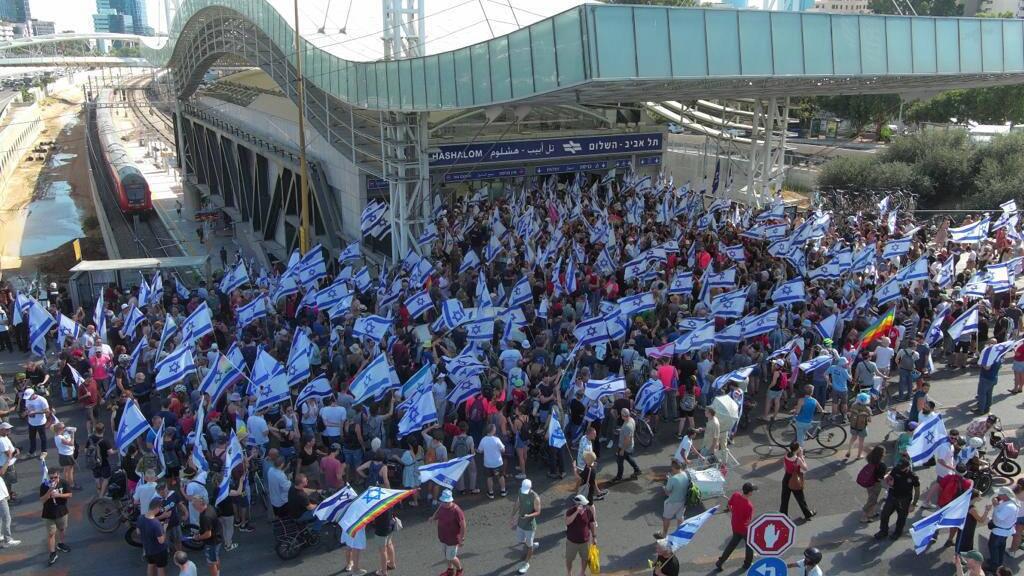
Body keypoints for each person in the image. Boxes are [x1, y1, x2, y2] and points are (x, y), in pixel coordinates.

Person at [875, 456, 920, 540]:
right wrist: (888, 481)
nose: (900, 469)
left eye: (902, 467)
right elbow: (889, 477)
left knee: (901, 518)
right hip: (892, 496)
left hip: (904, 499)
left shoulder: (913, 476)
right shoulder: (896, 469)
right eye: (899, 467)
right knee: (884, 514)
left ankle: (897, 533)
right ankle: (883, 531)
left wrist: (913, 504)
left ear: (907, 467)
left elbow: (917, 491)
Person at [715, 482, 757, 572]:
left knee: (732, 545)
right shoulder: (749, 506)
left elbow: (729, 505)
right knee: (750, 545)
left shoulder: (735, 495)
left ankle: (720, 561)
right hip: (744, 529)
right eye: (752, 490)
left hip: (735, 525)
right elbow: (748, 521)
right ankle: (747, 564)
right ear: (750, 492)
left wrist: (733, 512)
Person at [40, 466, 72, 566]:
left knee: (62, 529)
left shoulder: (63, 483)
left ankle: (61, 544)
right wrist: (50, 491)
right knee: (51, 534)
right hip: (49, 514)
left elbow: (70, 495)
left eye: (55, 477)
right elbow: (42, 500)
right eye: (51, 478)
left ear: (59, 475)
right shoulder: (44, 485)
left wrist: (59, 495)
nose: (53, 479)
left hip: (62, 512)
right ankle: (52, 553)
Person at [430, 488, 466, 576]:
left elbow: (463, 525)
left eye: (447, 502)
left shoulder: (457, 510)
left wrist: (461, 538)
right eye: (443, 501)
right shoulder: (441, 506)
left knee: (451, 557)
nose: (445, 503)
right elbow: (439, 515)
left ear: (451, 500)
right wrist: (433, 518)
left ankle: (459, 570)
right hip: (443, 537)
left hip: (453, 539)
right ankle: (450, 570)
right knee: (446, 555)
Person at [511, 478, 541, 574]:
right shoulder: (520, 491)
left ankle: (526, 563)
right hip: (521, 523)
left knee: (529, 545)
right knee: (520, 540)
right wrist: (512, 515)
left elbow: (538, 512)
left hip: (530, 526)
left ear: (530, 488)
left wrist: (528, 515)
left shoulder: (535, 497)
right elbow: (518, 503)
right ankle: (531, 544)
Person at [985, 487, 1019, 571]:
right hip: (1004, 531)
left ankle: (994, 566)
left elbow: (1000, 517)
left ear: (1005, 495)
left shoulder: (1009, 506)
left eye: (1000, 494)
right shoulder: (1009, 502)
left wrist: (995, 506)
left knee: (993, 547)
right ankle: (998, 563)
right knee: (1000, 548)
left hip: (999, 532)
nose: (998, 495)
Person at [654, 459, 689, 539]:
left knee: (666, 518)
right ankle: (679, 533)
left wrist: (665, 486)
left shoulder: (673, 479)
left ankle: (664, 534)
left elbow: (667, 492)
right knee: (680, 517)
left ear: (673, 467)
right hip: (683, 500)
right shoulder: (685, 474)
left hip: (673, 502)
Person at [781, 442, 815, 521]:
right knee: (800, 499)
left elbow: (785, 467)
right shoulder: (797, 459)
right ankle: (807, 514)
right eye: (799, 447)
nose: (800, 448)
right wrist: (802, 457)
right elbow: (805, 468)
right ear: (797, 449)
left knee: (784, 498)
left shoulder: (786, 455)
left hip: (786, 478)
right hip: (795, 480)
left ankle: (783, 515)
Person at [564, 494, 597, 576]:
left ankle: (582, 573)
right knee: (569, 559)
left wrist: (594, 536)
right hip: (572, 542)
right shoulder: (570, 511)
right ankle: (569, 574)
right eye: (584, 505)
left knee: (585, 558)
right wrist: (576, 512)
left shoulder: (588, 511)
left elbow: (592, 523)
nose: (586, 506)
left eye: (585, 505)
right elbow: (567, 522)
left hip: (585, 541)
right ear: (578, 505)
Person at [138, 497, 170, 576]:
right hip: (159, 550)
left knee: (151, 565)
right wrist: (164, 528)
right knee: (160, 567)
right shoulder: (156, 523)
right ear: (157, 508)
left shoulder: (140, 517)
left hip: (148, 549)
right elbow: (161, 541)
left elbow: (138, 531)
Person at [192, 495, 222, 576]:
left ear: (200, 504)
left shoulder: (205, 517)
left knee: (211, 564)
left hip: (212, 542)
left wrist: (198, 537)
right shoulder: (209, 507)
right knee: (216, 558)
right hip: (217, 538)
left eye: (194, 504)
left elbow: (208, 534)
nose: (193, 506)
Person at [857, 445, 887, 523]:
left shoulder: (870, 458)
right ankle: (864, 517)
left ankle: (871, 513)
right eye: (884, 453)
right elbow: (880, 478)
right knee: (872, 500)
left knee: (871, 497)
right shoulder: (882, 465)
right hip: (875, 484)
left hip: (869, 482)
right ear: (882, 454)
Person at [477, 424, 506, 499]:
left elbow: (479, 450)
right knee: (500, 476)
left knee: (489, 477)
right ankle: (503, 491)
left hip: (488, 463)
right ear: (493, 430)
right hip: (497, 462)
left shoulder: (483, 440)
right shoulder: (496, 439)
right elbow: (503, 449)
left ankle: (491, 493)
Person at [612, 408, 642, 481]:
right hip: (630, 446)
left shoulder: (626, 426)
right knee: (628, 458)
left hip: (624, 447)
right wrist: (622, 431)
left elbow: (627, 439)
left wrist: (622, 450)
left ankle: (619, 477)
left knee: (619, 461)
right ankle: (637, 470)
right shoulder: (632, 420)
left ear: (622, 416)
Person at [977, 338, 1002, 414]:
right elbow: (1000, 366)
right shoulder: (998, 353)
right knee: (989, 393)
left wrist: (981, 362)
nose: (990, 344)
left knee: (982, 394)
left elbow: (987, 367)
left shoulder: (990, 354)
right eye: (989, 342)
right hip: (994, 377)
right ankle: (987, 407)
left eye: (991, 343)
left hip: (986, 378)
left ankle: (981, 409)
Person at [23, 387, 50, 458]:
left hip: (40, 422)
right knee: (31, 437)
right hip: (31, 422)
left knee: (42, 437)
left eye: (29, 397)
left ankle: (44, 451)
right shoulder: (27, 399)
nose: (28, 399)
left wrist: (35, 412)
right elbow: (27, 407)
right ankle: (32, 451)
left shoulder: (42, 400)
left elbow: (47, 411)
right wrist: (26, 412)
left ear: (33, 394)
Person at [846, 393, 872, 460]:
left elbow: (849, 415)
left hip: (853, 426)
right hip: (862, 427)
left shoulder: (853, 405)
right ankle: (859, 455)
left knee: (853, 438)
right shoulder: (868, 409)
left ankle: (849, 451)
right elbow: (869, 420)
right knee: (861, 442)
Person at [0, 473, 19, 547]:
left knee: (1, 518)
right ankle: (8, 539)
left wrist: (6, 494)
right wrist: (6, 495)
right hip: (1, 498)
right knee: (7, 518)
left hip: (2, 496)